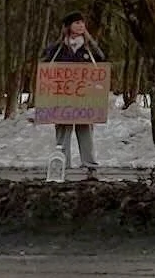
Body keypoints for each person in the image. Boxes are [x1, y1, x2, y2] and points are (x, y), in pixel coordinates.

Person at [42, 11, 108, 179]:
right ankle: (62, 164)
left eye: (82, 22)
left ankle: (90, 166)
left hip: (84, 97)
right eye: (76, 22)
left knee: (85, 128)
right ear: (68, 26)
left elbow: (101, 64)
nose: (80, 25)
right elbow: (46, 66)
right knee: (63, 129)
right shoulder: (57, 49)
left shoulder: (90, 48)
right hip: (62, 97)